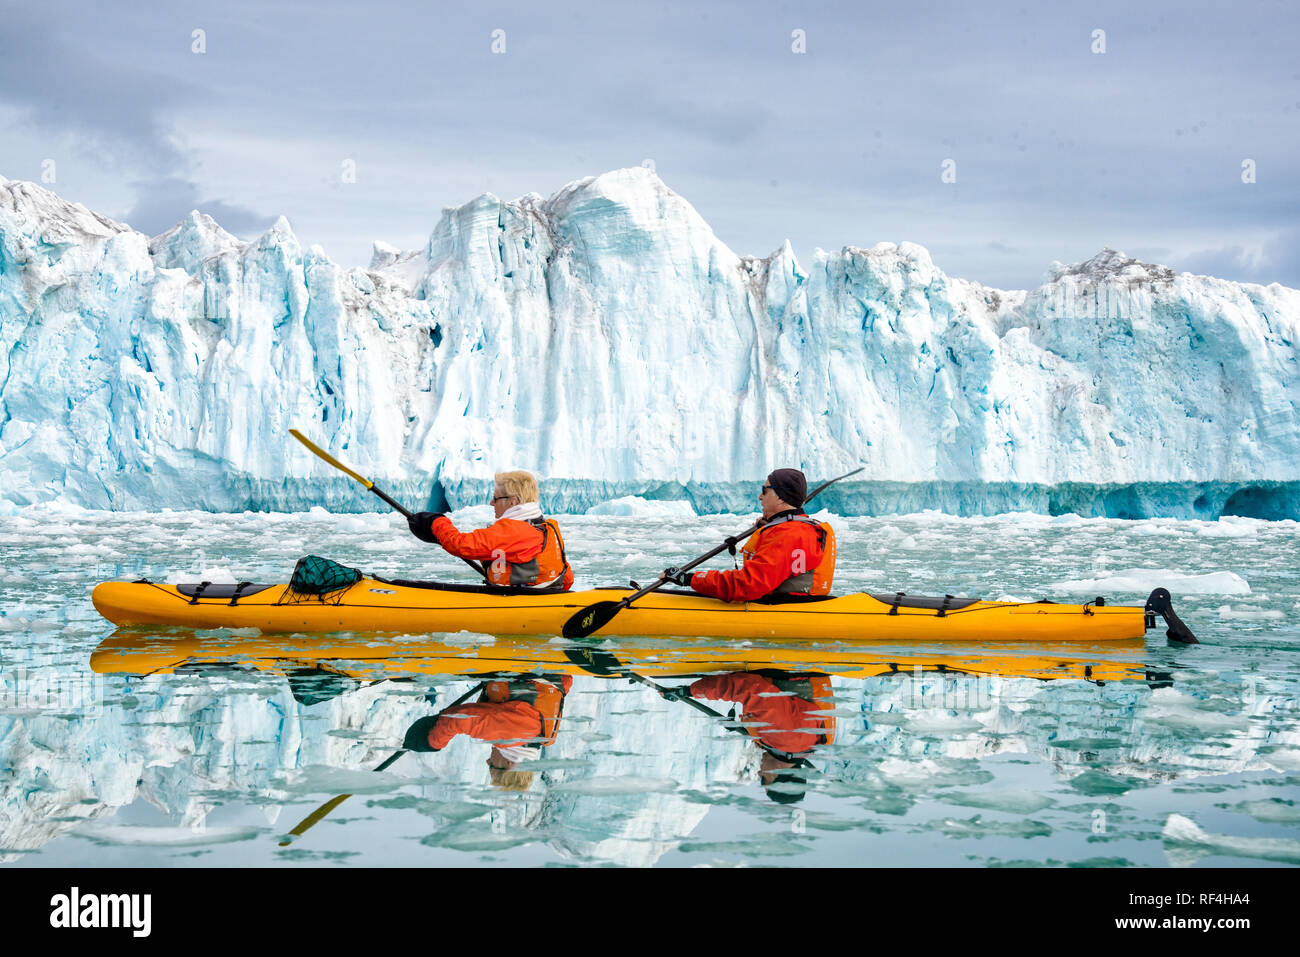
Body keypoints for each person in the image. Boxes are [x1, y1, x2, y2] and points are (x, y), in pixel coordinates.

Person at [661, 468, 835, 601]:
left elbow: (749, 584)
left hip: (782, 606)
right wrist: (770, 527)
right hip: (796, 602)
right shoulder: (800, 528)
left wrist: (688, 579)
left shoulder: (787, 534)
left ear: (781, 498)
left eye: (765, 490)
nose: (760, 497)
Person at [663, 670, 835, 804]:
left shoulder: (803, 746)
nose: (759, 771)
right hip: (785, 667)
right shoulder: (786, 737)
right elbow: (748, 688)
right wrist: (690, 691)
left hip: (795, 670)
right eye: (764, 778)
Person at [407, 470, 574, 589]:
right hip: (544, 597)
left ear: (513, 502)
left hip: (518, 602)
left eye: (495, 498)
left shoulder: (513, 530)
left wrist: (437, 522)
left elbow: (460, 545)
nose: (491, 503)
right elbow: (567, 578)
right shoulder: (546, 526)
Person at [402, 675, 574, 791]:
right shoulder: (512, 735)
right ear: (508, 765)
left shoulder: (542, 737)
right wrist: (433, 742)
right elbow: (458, 718)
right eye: (492, 765)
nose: (488, 760)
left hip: (537, 672)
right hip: (521, 665)